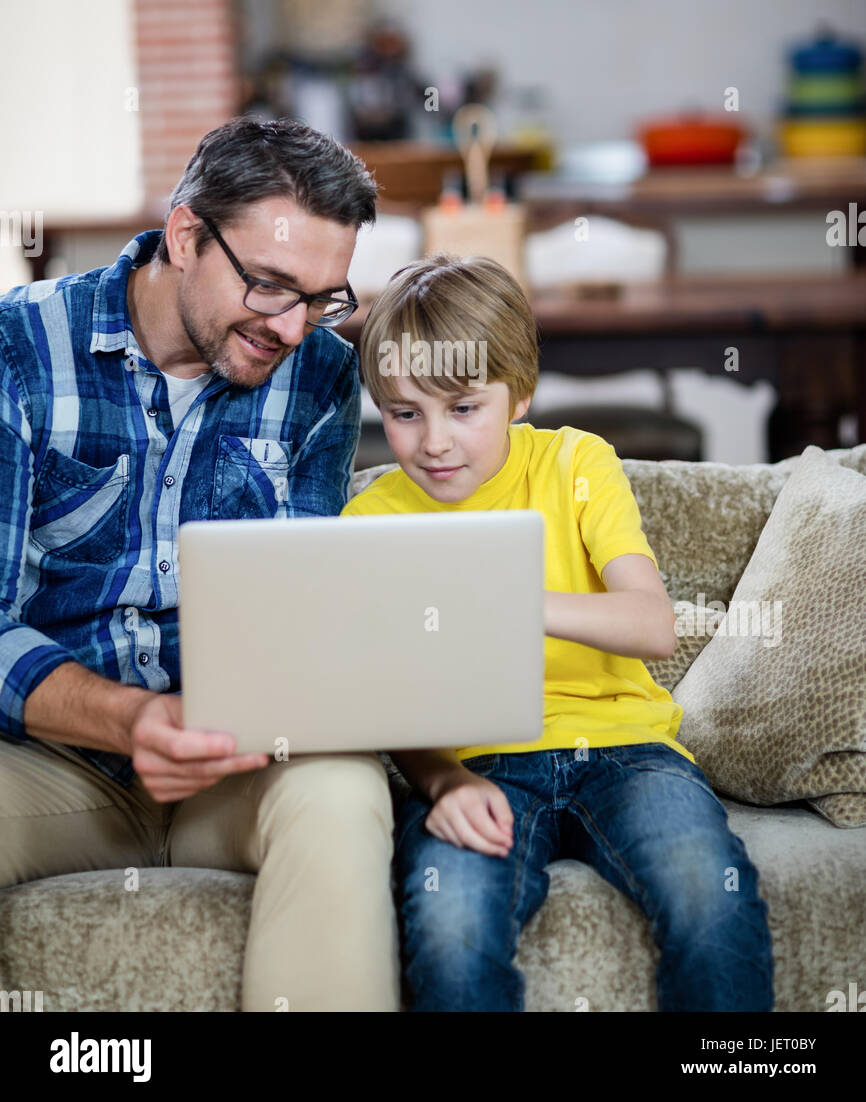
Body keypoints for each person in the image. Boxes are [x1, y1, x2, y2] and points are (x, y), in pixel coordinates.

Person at [0, 116, 400, 1012]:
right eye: (270, 286)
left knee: (340, 788)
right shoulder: (19, 350)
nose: (295, 327)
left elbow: (303, 599)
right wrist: (131, 719)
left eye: (324, 298)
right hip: (48, 763)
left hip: (237, 764)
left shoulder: (319, 377)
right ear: (186, 237)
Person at [341, 253, 775, 1013]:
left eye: (463, 408)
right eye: (406, 413)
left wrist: (505, 597)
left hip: (627, 753)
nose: (434, 442)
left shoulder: (577, 462)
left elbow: (652, 625)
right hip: (477, 762)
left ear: (519, 394)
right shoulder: (373, 518)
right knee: (449, 925)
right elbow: (388, 698)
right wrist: (441, 781)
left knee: (712, 897)